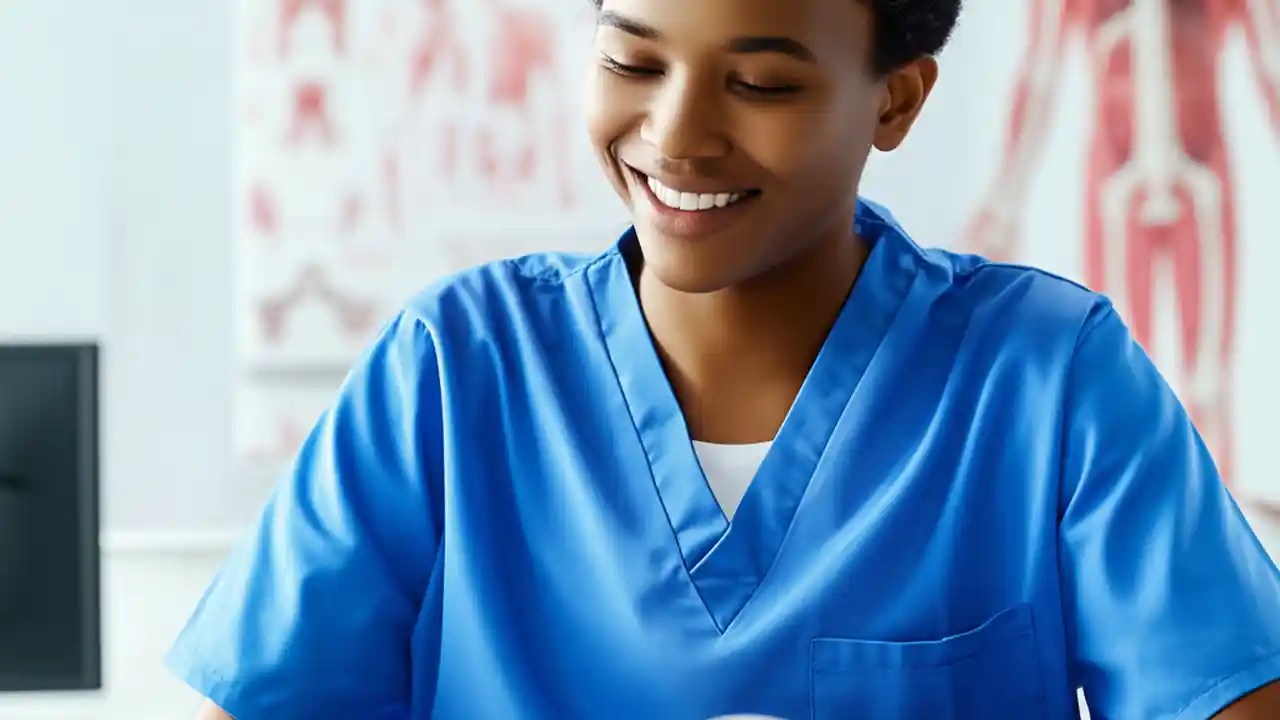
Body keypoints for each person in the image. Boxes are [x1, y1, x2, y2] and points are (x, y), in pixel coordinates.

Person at [171, 0, 1280, 717]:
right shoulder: (456, 370)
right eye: (631, 60)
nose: (677, 134)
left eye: (761, 85)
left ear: (895, 99)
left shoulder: (1046, 378)